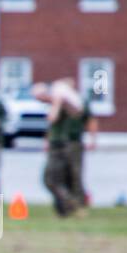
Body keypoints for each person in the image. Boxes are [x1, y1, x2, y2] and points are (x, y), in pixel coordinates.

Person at [40, 81, 81, 218]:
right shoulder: (57, 101)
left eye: (40, 97)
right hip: (55, 145)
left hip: (61, 146)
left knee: (51, 179)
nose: (40, 101)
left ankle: (70, 203)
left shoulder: (60, 102)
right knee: (55, 179)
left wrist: (57, 102)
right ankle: (64, 207)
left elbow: (52, 119)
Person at [66, 78, 94, 216]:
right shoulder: (59, 103)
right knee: (60, 175)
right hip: (60, 143)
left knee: (76, 173)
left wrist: (92, 139)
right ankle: (67, 204)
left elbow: (91, 120)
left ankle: (81, 202)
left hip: (75, 141)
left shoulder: (81, 102)